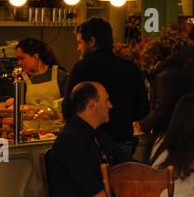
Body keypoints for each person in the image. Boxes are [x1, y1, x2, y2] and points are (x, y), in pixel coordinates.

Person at [63, 17, 149, 158]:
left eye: (80, 42)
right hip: (123, 141)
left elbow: (67, 111)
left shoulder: (81, 68)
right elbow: (143, 111)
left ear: (91, 41)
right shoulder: (130, 68)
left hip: (90, 144)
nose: (78, 48)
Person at [140, 40, 194, 143]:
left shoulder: (165, 76)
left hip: (169, 134)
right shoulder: (181, 70)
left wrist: (143, 125)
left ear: (152, 59)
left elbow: (162, 108)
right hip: (184, 131)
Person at [15, 37, 69, 107]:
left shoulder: (60, 76)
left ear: (35, 57)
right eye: (18, 59)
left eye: (22, 58)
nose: (19, 63)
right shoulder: (22, 80)